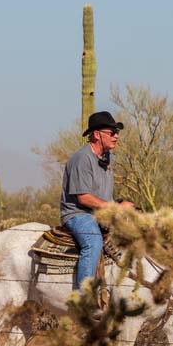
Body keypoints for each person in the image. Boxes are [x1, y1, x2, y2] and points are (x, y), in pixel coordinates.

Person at [60, 111, 135, 289]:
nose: (116, 136)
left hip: (100, 213)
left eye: (117, 132)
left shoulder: (106, 158)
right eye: (111, 132)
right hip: (78, 214)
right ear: (96, 134)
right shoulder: (82, 158)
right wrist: (114, 208)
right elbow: (83, 197)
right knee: (94, 241)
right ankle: (83, 298)